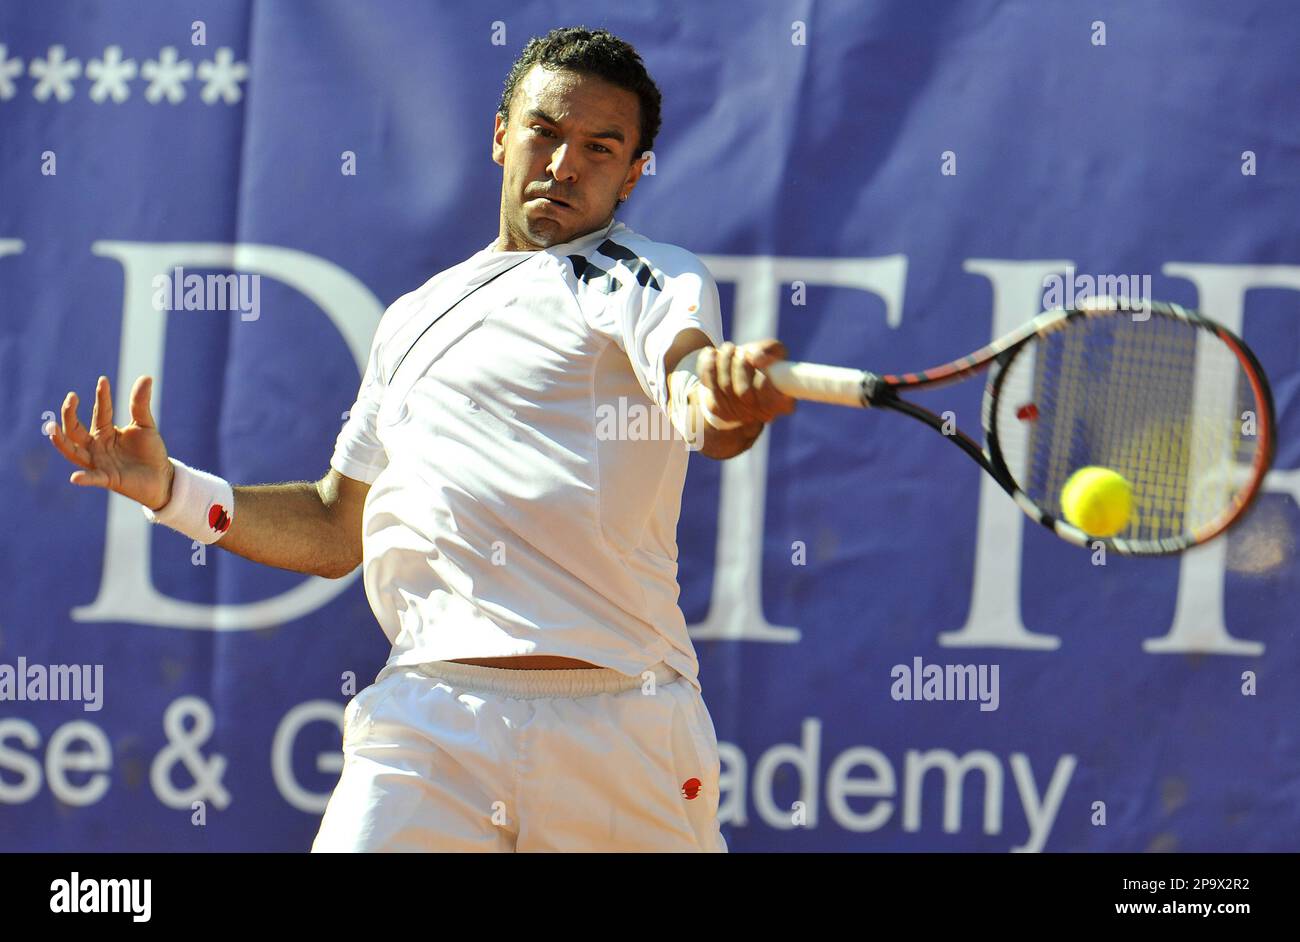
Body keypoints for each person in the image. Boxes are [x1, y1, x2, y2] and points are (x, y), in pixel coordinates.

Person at [47, 26, 795, 852]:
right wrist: (170, 491)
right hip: (430, 725)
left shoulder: (653, 276)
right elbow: (338, 528)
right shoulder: (412, 317)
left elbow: (696, 398)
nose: (564, 164)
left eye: (600, 147)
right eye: (545, 132)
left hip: (624, 725)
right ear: (502, 133)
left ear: (632, 174)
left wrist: (725, 403)